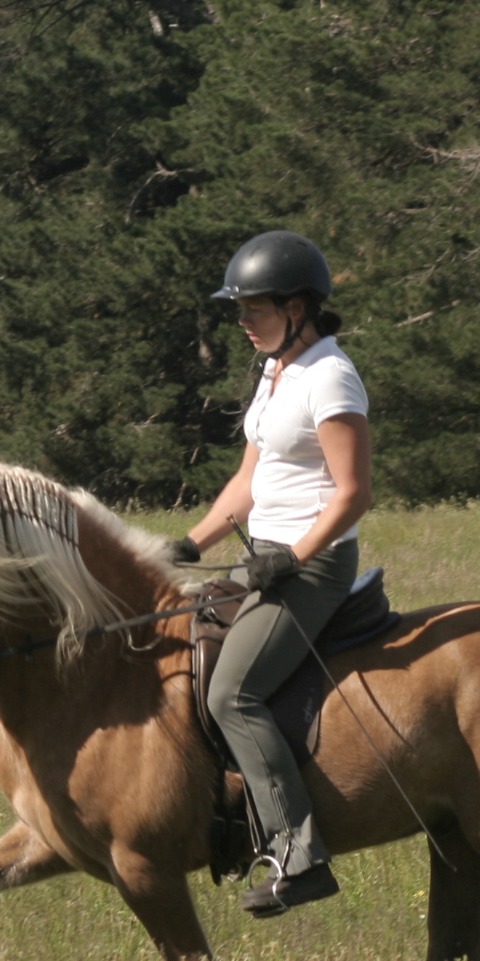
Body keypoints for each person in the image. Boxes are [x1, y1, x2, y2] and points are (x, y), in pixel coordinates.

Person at [175, 230, 373, 916]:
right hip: (267, 557)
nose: (242, 322)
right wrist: (191, 543)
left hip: (312, 568)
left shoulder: (330, 376)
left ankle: (299, 854)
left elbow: (353, 491)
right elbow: (250, 479)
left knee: (233, 693)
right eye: (238, 310)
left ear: (297, 306)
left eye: (253, 309)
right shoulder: (274, 373)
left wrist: (292, 556)